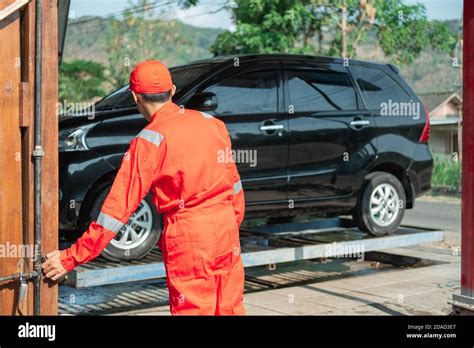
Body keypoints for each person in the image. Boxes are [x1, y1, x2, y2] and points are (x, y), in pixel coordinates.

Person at [42, 60, 246, 315]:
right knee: (230, 308)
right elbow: (234, 185)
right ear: (172, 91)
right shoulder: (213, 124)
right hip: (225, 228)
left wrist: (70, 258)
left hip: (189, 237)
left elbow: (115, 212)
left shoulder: (149, 141)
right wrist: (227, 226)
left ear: (135, 97)